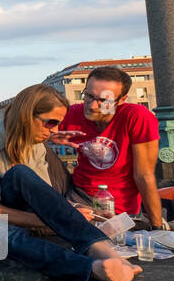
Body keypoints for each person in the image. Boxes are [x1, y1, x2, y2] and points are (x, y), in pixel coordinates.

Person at [0, 84, 143, 281]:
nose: (54, 131)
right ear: (26, 116)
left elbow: (45, 199)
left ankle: (99, 248)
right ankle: (91, 268)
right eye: (50, 123)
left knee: (20, 174)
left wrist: (69, 211)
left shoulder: (36, 147)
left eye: (58, 124)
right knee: (6, 233)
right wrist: (52, 221)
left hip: (5, 215)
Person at [58, 65, 165, 229]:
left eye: (103, 100)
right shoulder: (73, 113)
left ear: (121, 100)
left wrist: (157, 227)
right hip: (78, 196)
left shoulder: (136, 116)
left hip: (118, 208)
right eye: (89, 96)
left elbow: (144, 175)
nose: (93, 106)